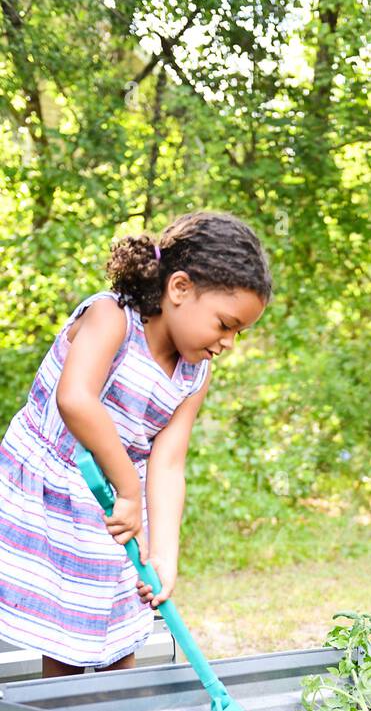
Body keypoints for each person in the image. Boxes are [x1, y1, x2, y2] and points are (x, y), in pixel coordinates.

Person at [0, 210, 271, 678]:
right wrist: (127, 489)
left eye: (238, 333)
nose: (228, 342)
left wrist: (164, 555)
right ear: (180, 289)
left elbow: (168, 464)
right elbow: (76, 399)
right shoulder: (112, 318)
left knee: (118, 630)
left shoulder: (195, 373)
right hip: (52, 485)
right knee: (68, 639)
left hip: (114, 504)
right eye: (225, 324)